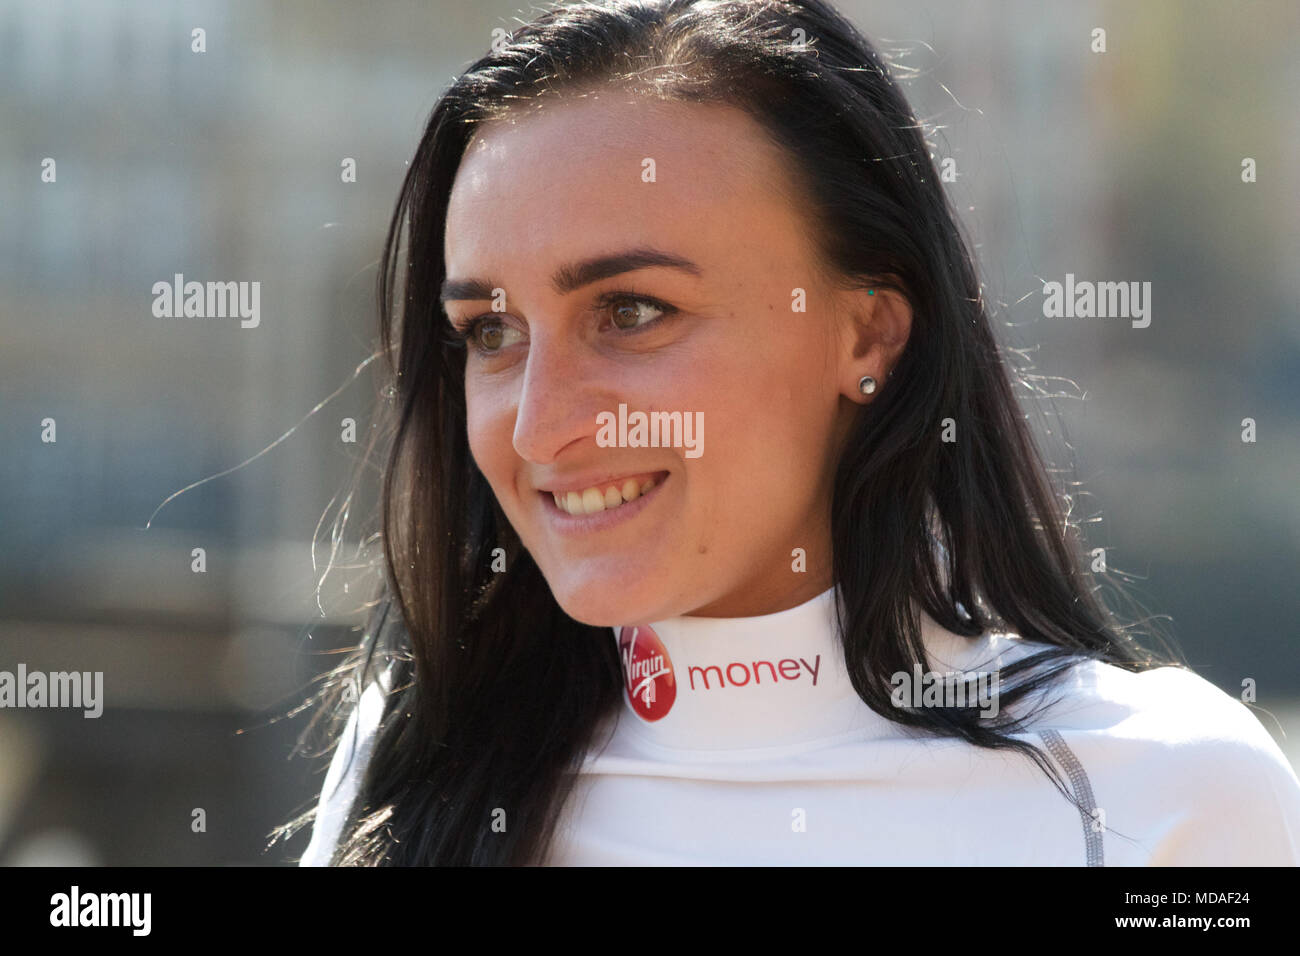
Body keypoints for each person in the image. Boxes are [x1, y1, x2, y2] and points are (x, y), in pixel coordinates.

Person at [281, 0, 1300, 865]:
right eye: (490, 331)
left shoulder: (1165, 802)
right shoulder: (417, 759)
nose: (543, 423)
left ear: (866, 331)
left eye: (632, 311)